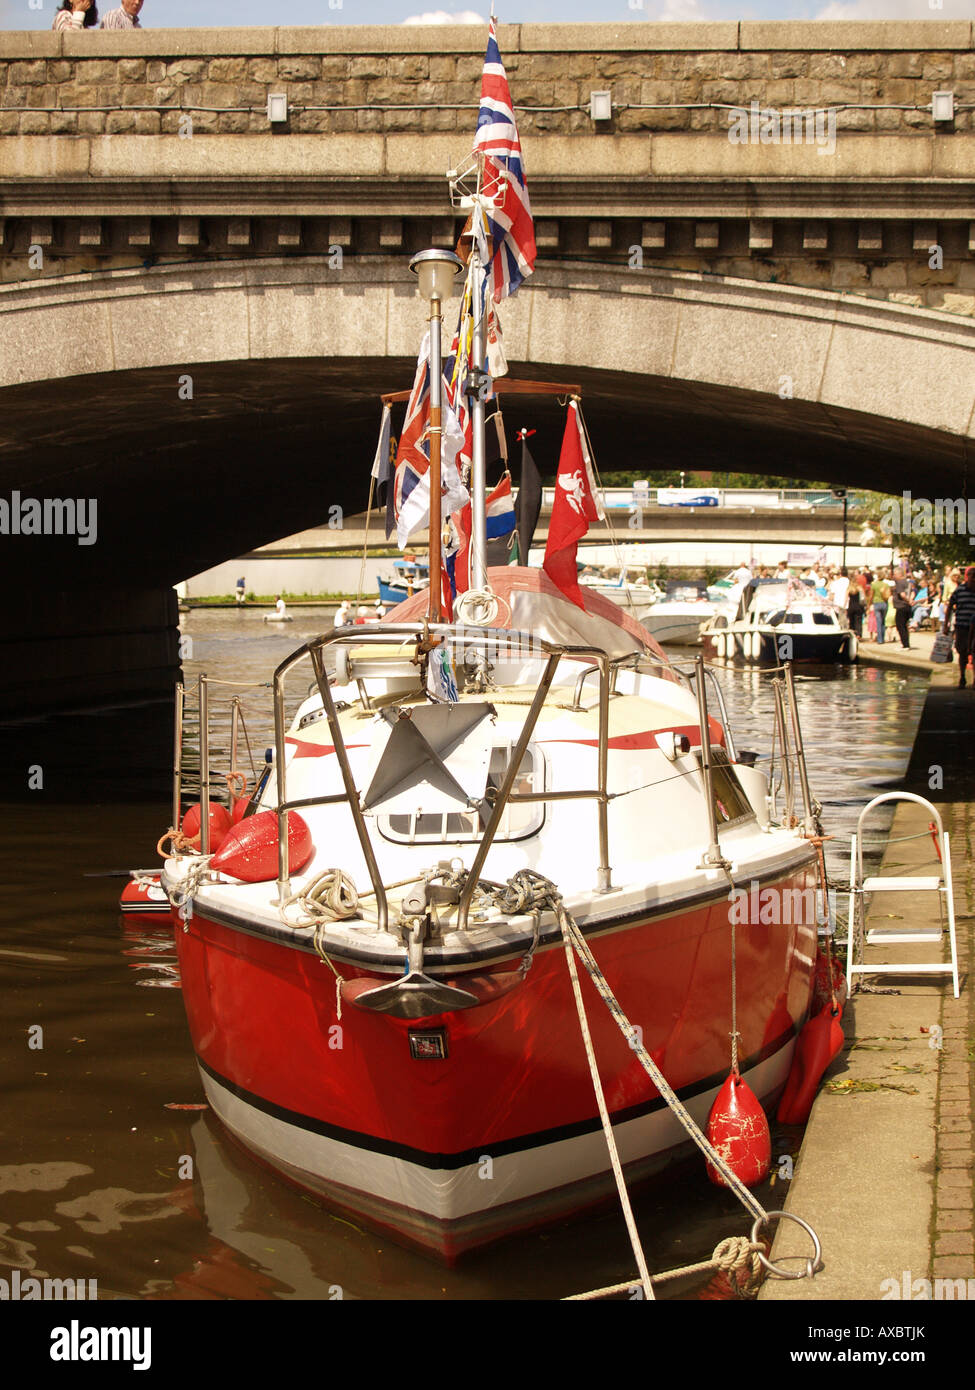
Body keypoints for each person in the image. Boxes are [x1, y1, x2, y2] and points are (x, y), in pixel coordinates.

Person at [945, 566, 975, 687]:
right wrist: (946, 624)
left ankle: (974, 680)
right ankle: (962, 677)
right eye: (972, 576)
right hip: (962, 626)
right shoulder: (960, 590)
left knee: (974, 652)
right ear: (968, 577)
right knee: (962, 651)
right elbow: (950, 607)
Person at [890, 566, 914, 649]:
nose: (893, 576)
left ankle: (905, 644)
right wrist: (911, 600)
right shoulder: (907, 582)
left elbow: (902, 595)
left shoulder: (899, 582)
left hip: (901, 606)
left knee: (900, 625)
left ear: (899, 574)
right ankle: (906, 643)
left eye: (895, 574)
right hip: (906, 607)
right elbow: (912, 592)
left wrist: (908, 600)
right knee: (904, 626)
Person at [871, 570, 890, 644]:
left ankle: (880, 639)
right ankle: (883, 637)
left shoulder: (874, 584)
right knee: (883, 621)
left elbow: (871, 595)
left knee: (878, 621)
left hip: (876, 603)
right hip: (884, 603)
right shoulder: (886, 585)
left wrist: (869, 603)